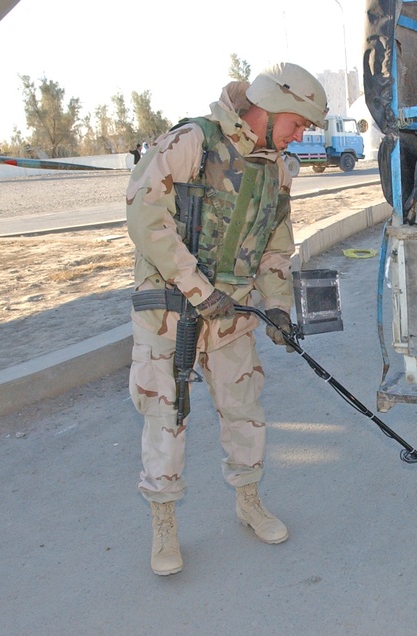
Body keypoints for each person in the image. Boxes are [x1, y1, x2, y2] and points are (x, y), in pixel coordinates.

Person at [125, 63, 328, 576]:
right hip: (170, 309)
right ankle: (164, 524)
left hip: (232, 312)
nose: (300, 136)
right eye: (298, 124)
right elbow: (145, 218)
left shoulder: (277, 168)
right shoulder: (193, 142)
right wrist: (198, 289)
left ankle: (249, 501)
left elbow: (277, 243)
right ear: (272, 107)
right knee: (165, 415)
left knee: (244, 407)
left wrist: (279, 305)